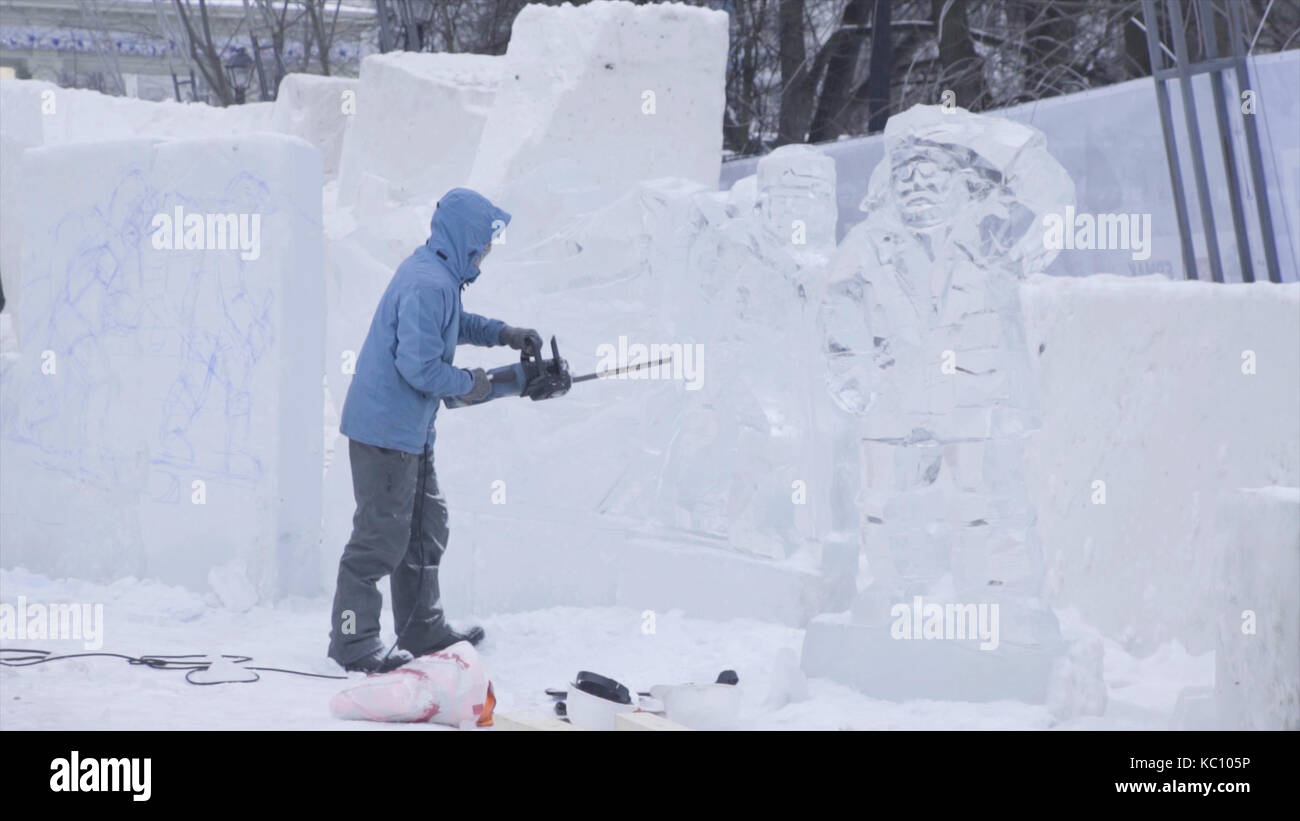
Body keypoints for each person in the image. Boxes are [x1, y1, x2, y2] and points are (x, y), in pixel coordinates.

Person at [328, 187, 541, 673]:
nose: (486, 252)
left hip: (410, 432)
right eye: (484, 243)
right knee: (380, 539)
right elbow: (420, 369)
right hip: (384, 433)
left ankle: (422, 627)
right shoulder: (427, 282)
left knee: (425, 529)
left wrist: (503, 333)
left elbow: (453, 324)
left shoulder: (439, 276)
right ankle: (352, 641)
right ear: (465, 239)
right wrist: (485, 384)